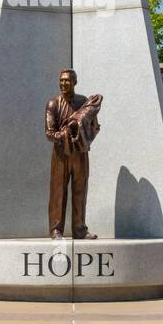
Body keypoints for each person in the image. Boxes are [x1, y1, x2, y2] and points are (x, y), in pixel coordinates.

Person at [44, 68, 102, 239]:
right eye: (61, 80)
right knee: (58, 192)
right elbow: (49, 132)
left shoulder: (84, 103)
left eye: (67, 80)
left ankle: (79, 229)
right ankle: (56, 229)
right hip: (61, 155)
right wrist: (63, 135)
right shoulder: (53, 104)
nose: (63, 83)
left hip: (80, 154)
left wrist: (84, 136)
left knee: (80, 190)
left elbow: (94, 126)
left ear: (74, 82)